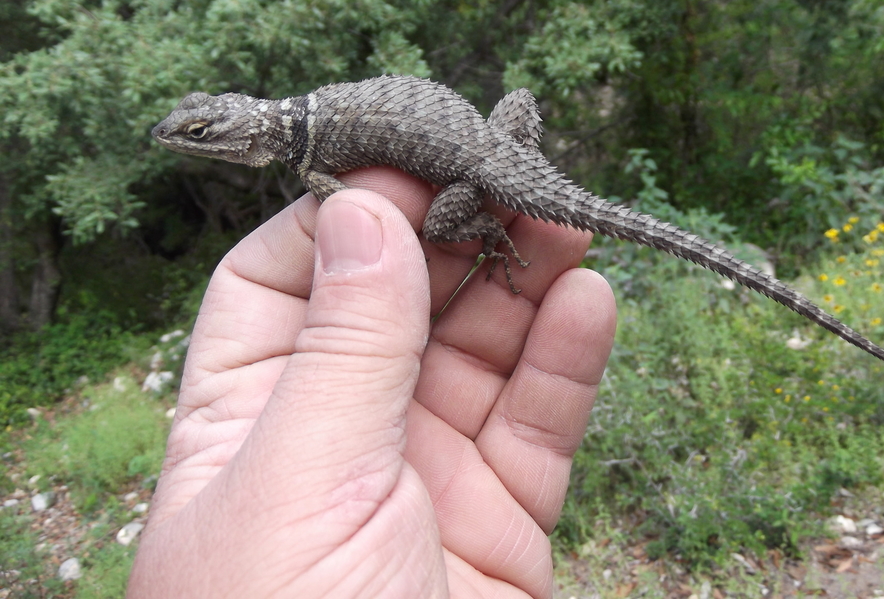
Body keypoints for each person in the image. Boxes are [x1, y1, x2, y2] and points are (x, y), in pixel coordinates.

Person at [127, 166, 617, 598]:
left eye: (201, 135)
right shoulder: (307, 140)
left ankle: (491, 227)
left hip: (475, 171)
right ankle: (503, 203)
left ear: (246, 142)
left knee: (435, 227)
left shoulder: (314, 170)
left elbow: (348, 205)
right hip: (483, 157)